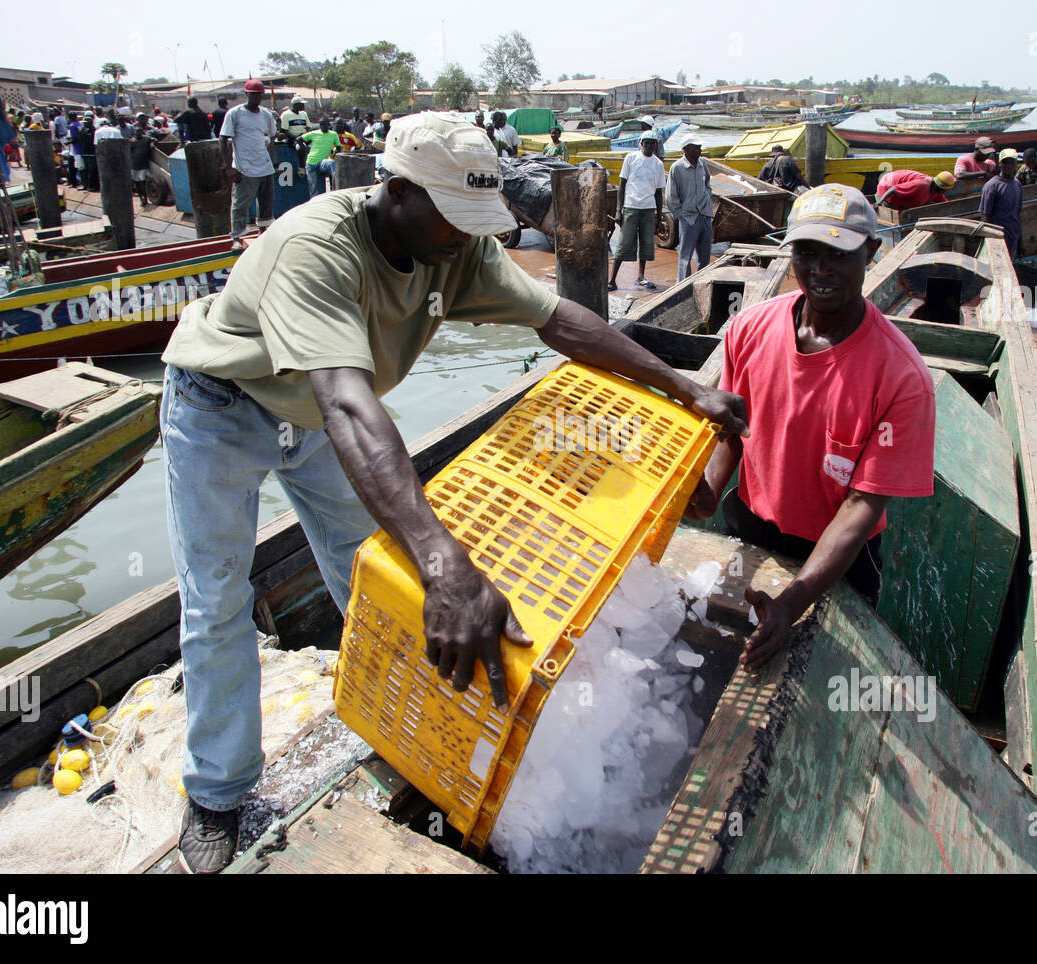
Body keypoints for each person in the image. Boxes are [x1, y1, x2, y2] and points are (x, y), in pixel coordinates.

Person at [159, 111, 746, 873]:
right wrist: (447, 563)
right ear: (398, 193)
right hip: (224, 404)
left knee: (366, 569)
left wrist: (680, 385)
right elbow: (348, 404)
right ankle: (216, 795)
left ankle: (410, 723)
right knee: (217, 603)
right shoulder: (314, 250)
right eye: (453, 219)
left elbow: (561, 321)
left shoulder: (454, 250)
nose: (468, 238)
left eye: (478, 221)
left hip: (317, 419)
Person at [685, 183, 935, 669]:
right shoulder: (748, 329)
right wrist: (711, 490)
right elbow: (732, 433)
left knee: (824, 672)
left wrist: (793, 601)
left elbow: (862, 505)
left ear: (871, 252)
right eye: (806, 252)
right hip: (750, 522)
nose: (820, 269)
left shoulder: (902, 376)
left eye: (838, 254)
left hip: (839, 556)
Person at [220, 78, 277, 245]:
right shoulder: (235, 113)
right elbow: (223, 139)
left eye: (259, 95)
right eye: (253, 95)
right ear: (246, 94)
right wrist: (228, 167)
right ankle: (236, 237)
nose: (256, 98)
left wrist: (269, 146)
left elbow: (273, 134)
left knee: (266, 203)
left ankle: (263, 232)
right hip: (245, 168)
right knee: (240, 204)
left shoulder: (266, 114)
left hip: (264, 167)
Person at [608, 130, 666, 291]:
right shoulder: (631, 158)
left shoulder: (658, 164)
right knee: (624, 244)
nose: (649, 146)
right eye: (646, 143)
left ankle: (641, 276)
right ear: (640, 144)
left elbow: (658, 193)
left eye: (652, 143)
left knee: (646, 244)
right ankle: (612, 280)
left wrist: (659, 217)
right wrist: (619, 211)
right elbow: (622, 186)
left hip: (648, 209)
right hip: (631, 207)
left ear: (656, 146)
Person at [666, 133, 714, 282]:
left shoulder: (702, 164)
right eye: (696, 148)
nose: (700, 150)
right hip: (688, 218)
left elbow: (707, 184)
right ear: (686, 149)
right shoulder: (677, 168)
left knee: (705, 257)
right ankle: (683, 287)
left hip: (705, 216)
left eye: (700, 147)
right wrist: (681, 215)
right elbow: (670, 196)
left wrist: (706, 200)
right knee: (685, 257)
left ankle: (701, 283)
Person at [980, 148, 1023, 257]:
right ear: (1000, 164)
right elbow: (985, 217)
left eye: (1011, 162)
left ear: (1016, 164)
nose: (1008, 166)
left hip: (1013, 235)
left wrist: (1020, 241)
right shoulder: (991, 186)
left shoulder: (1017, 184)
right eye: (1005, 162)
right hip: (998, 238)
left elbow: (1018, 213)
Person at [873, 169, 954, 210]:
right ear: (939, 186)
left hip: (894, 181)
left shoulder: (936, 190)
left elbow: (945, 204)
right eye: (945, 190)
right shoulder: (921, 185)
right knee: (895, 213)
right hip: (886, 187)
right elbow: (893, 190)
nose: (946, 192)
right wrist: (879, 202)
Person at [301, 117, 340, 197]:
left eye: (325, 124)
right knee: (313, 187)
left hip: (322, 162)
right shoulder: (314, 133)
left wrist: (337, 154)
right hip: (311, 162)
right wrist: (305, 149)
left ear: (329, 125)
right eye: (321, 124)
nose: (323, 126)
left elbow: (339, 147)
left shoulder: (333, 134)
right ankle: (314, 203)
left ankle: (336, 187)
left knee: (331, 162)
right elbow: (299, 139)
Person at [129, 115, 155, 205]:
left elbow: (154, 140)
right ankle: (141, 199)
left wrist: (152, 145)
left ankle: (145, 199)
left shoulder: (147, 139)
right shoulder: (132, 141)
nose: (138, 134)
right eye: (137, 133)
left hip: (143, 164)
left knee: (143, 182)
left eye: (140, 132)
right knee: (137, 183)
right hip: (134, 165)